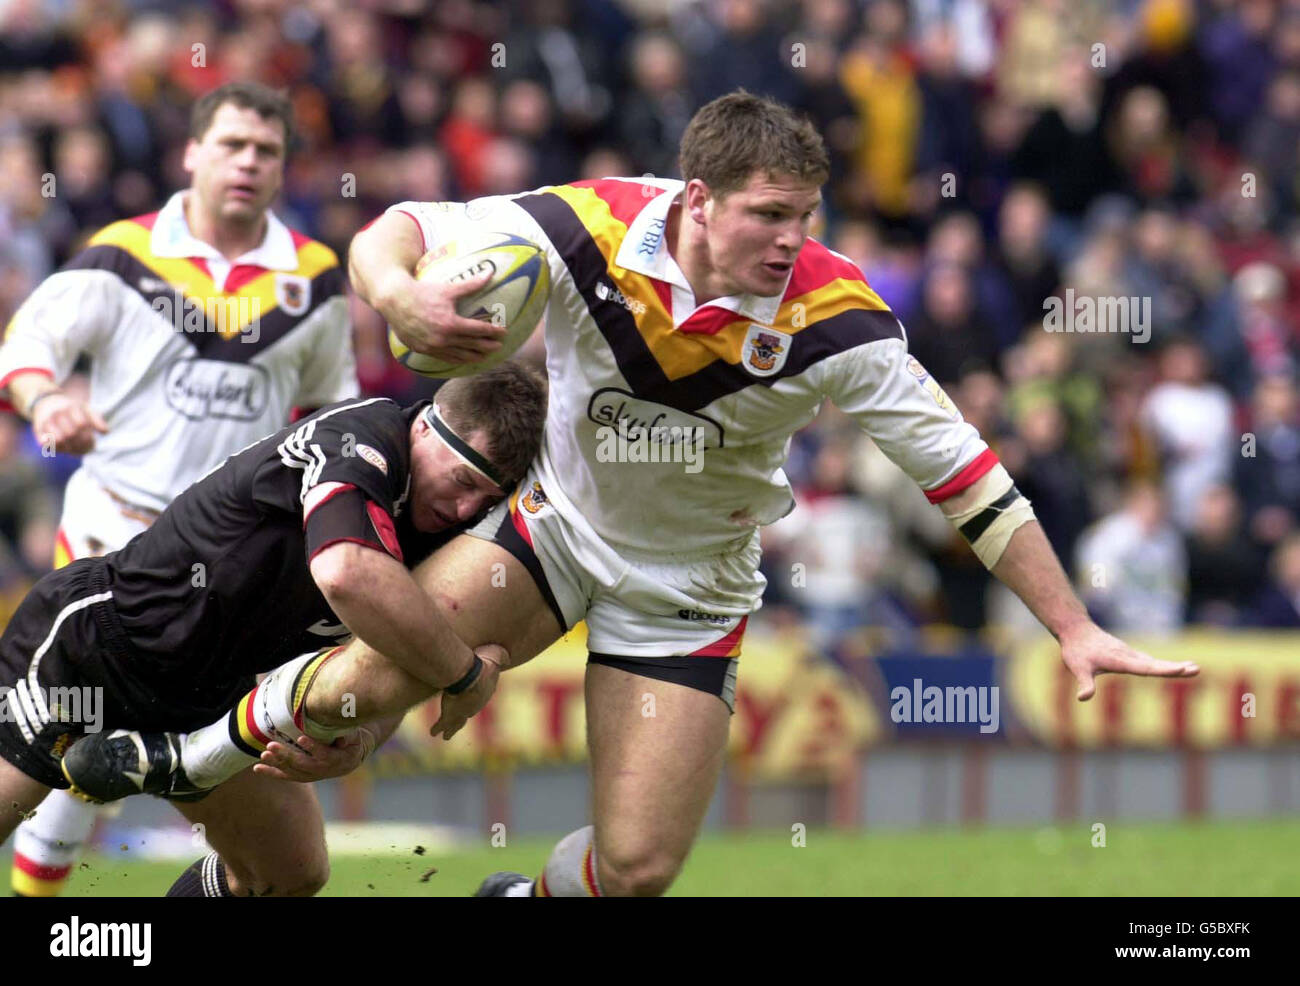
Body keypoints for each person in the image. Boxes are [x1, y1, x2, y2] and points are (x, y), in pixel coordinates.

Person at [65, 91, 1198, 897]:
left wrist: (1073, 623)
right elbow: (394, 231)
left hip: (689, 590)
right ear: (697, 200)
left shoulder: (838, 318)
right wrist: (399, 297)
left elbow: (970, 478)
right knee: (355, 695)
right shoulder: (584, 227)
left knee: (640, 869)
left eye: (804, 216)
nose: (790, 242)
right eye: (767, 215)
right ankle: (190, 761)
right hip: (552, 528)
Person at [0, 81, 360, 897]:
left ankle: (213, 882)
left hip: (236, 567)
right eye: (231, 144)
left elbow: (335, 415)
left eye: (266, 151)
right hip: (112, 535)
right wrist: (47, 399)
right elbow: (29, 340)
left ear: (282, 169)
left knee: (252, 828)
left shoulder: (314, 278)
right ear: (192, 153)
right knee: (68, 735)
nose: (248, 162)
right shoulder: (124, 253)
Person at [0, 364, 545, 896]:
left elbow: (397, 650)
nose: (467, 507)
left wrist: (359, 740)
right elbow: (347, 574)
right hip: (99, 643)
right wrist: (466, 675)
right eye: (463, 482)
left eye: (488, 499)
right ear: (424, 426)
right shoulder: (363, 438)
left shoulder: (442, 519)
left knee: (289, 873)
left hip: (208, 697)